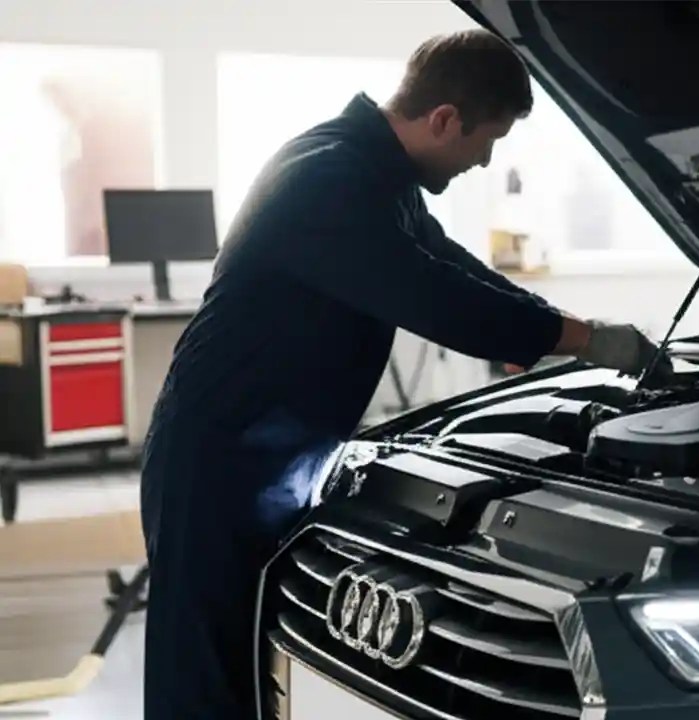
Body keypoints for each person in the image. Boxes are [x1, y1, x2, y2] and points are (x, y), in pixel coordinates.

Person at [139, 29, 665, 719]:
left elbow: (453, 268)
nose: (483, 161)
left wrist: (555, 323)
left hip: (267, 451)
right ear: (444, 118)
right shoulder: (329, 178)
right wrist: (592, 342)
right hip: (220, 459)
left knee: (252, 657)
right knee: (202, 678)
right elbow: (433, 296)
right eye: (488, 141)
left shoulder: (372, 170)